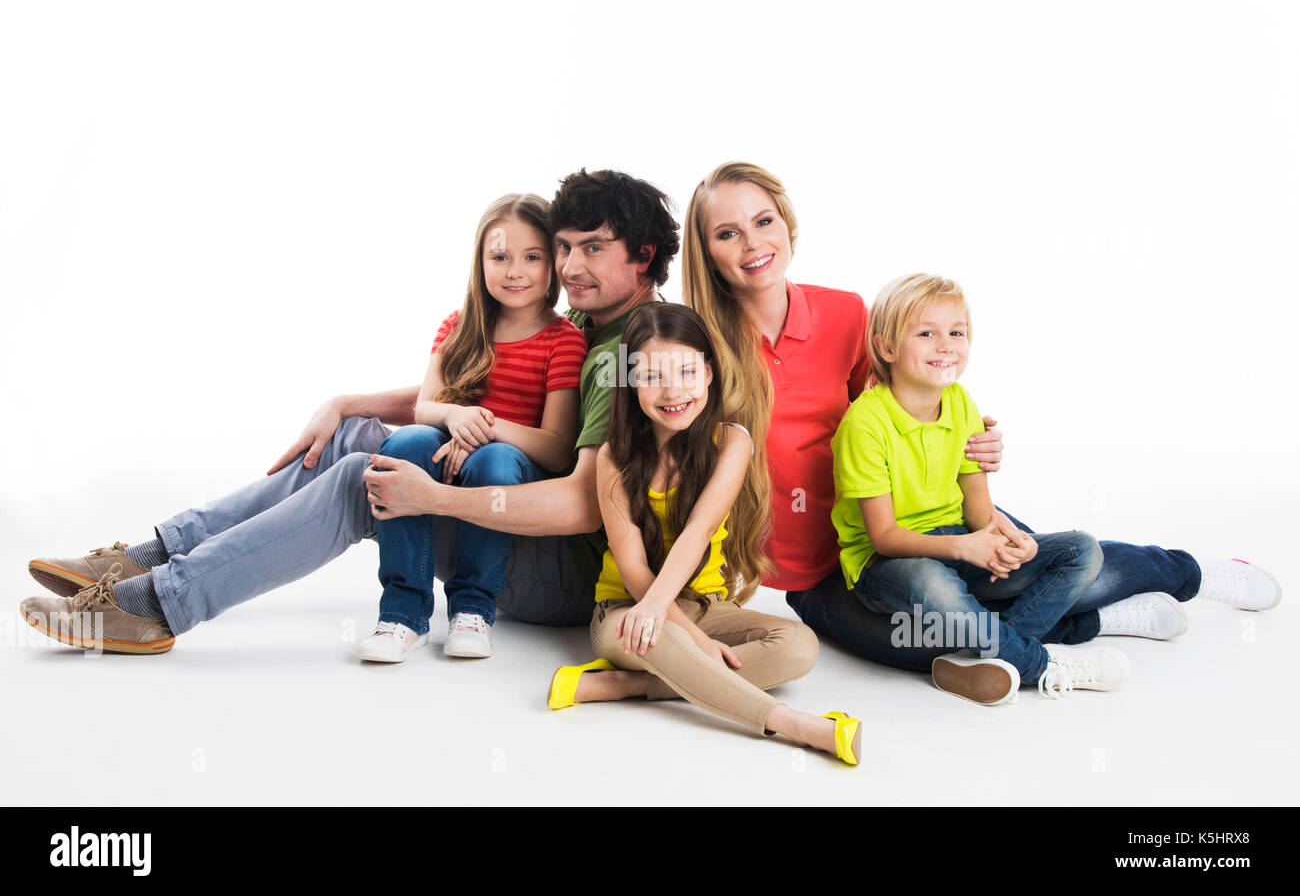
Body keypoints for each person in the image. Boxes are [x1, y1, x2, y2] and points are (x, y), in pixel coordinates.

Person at [18, 169, 685, 655]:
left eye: (590, 248)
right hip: (513, 523)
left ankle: (162, 603)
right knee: (362, 437)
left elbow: (580, 506)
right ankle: (157, 554)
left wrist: (429, 499)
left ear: (643, 256)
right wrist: (348, 403)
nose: (567, 266)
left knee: (367, 480)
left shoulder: (625, 354)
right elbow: (478, 396)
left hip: (557, 572)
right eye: (563, 248)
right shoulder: (584, 321)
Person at [680, 161, 1280, 686]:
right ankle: (1099, 622)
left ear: (786, 224)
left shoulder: (844, 311)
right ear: (706, 250)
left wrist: (969, 443)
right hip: (830, 566)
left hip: (928, 512)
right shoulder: (699, 344)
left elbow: (894, 403)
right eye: (726, 233)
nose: (751, 242)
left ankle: (1191, 571)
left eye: (763, 221)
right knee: (932, 644)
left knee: (1037, 565)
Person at [546, 303, 860, 765]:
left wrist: (695, 631)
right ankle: (794, 724)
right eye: (652, 376)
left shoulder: (732, 441)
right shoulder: (614, 456)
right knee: (662, 639)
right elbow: (632, 567)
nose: (673, 391)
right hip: (628, 611)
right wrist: (674, 625)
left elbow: (700, 530)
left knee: (799, 646)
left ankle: (628, 686)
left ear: (709, 373)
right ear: (631, 381)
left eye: (687, 371)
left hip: (707, 605)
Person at [833, 272, 1126, 703]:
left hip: (959, 538)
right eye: (927, 333)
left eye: (956, 332)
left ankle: (990, 658)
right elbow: (884, 537)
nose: (946, 345)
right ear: (887, 348)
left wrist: (1007, 537)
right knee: (936, 588)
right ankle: (1040, 665)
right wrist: (964, 548)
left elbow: (977, 509)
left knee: (1082, 550)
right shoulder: (865, 423)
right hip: (887, 563)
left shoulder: (962, 402)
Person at [359, 193, 588, 663]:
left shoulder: (563, 341)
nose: (515, 271)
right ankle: (403, 615)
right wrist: (456, 416)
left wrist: (483, 427)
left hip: (511, 475)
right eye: (499, 257)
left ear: (552, 265)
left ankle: (473, 610)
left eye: (532, 257)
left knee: (495, 458)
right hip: (448, 454)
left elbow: (557, 449)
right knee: (405, 441)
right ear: (480, 262)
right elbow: (426, 407)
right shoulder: (458, 326)